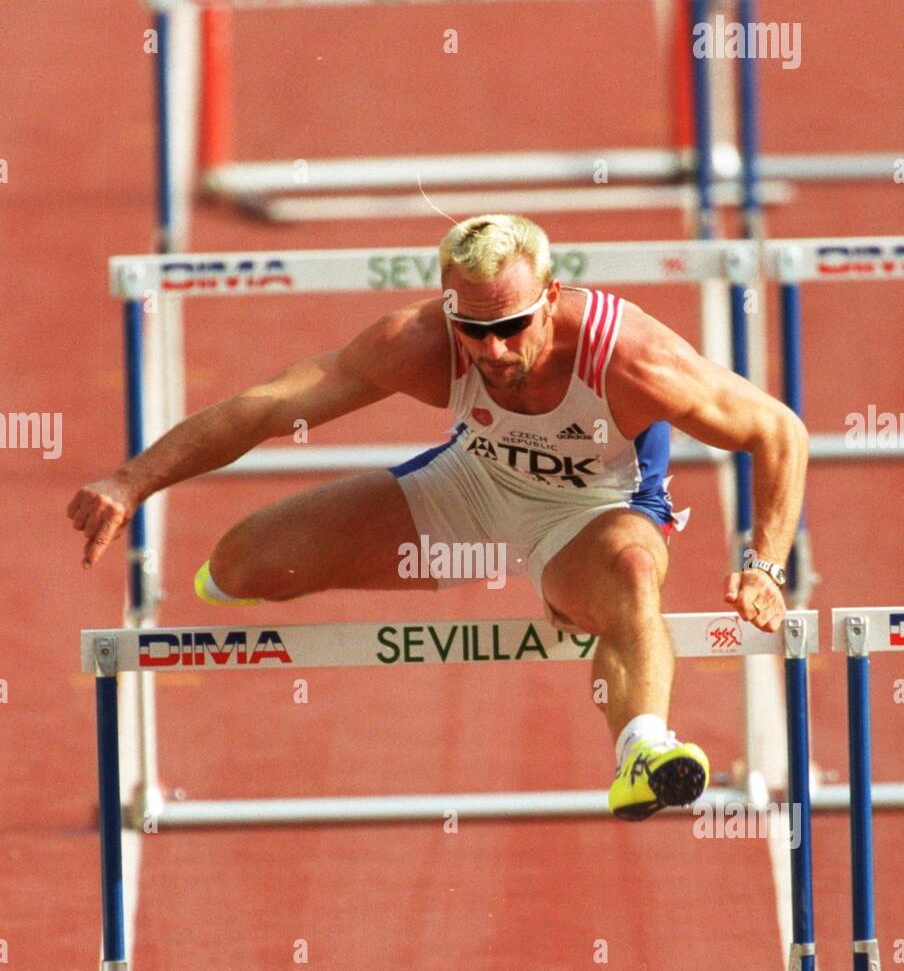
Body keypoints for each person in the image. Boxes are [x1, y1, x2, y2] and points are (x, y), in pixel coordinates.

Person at [67, 214, 807, 820]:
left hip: (594, 514)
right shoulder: (417, 344)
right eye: (472, 328)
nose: (493, 349)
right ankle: (458, 564)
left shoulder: (635, 358)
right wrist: (133, 482)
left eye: (513, 325)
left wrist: (765, 564)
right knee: (245, 564)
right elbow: (265, 407)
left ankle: (643, 749)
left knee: (632, 569)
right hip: (475, 487)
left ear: (551, 295)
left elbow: (778, 432)